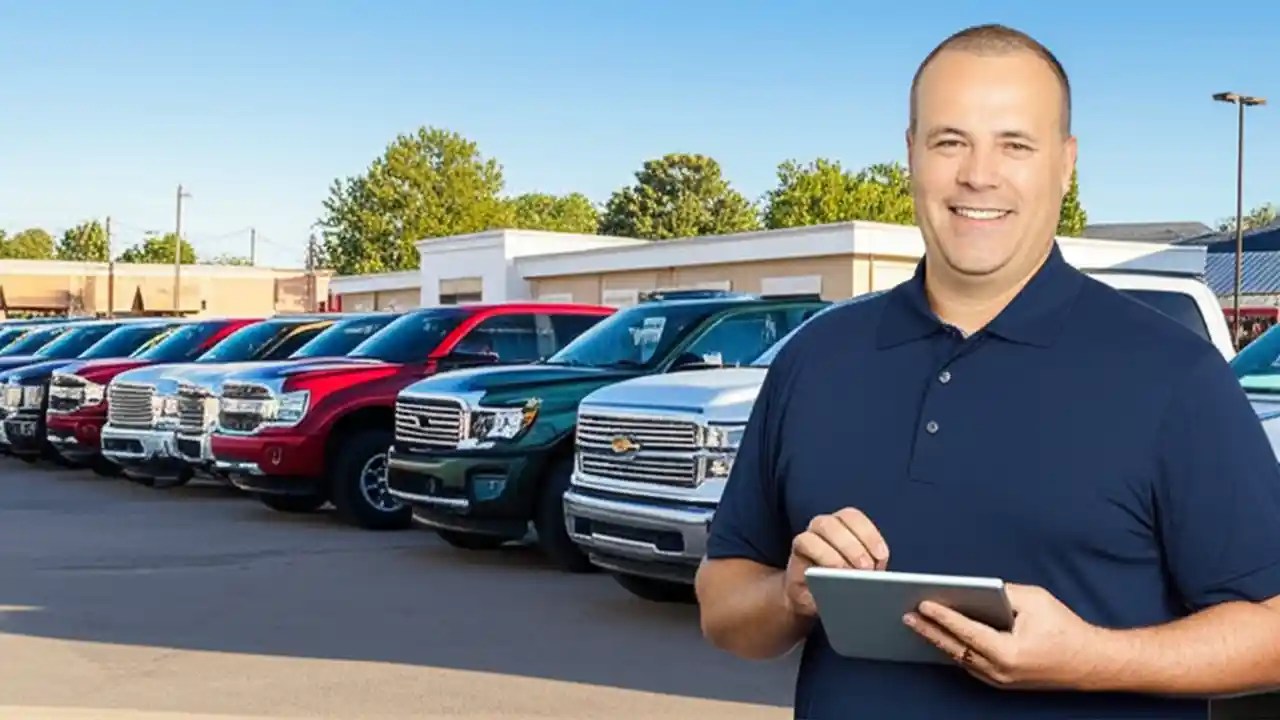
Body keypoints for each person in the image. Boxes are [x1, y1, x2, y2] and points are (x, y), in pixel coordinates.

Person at [694, 23, 1280, 720]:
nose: (979, 174)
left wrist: (1090, 658)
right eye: (950, 141)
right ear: (911, 154)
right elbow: (722, 605)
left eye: (1015, 144)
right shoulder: (814, 359)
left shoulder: (1174, 376)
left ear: (1065, 163)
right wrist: (790, 594)